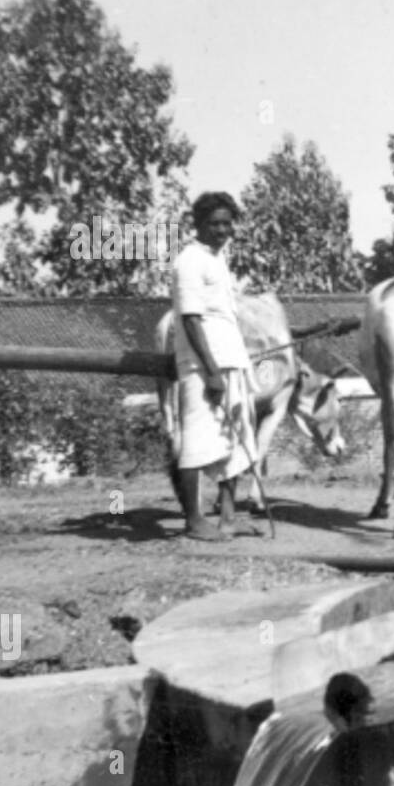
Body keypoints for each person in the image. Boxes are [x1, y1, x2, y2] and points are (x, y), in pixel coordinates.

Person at [172, 191, 259, 541]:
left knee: (234, 439)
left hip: (231, 360)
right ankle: (194, 520)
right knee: (196, 439)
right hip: (202, 365)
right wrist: (210, 370)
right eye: (214, 224)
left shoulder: (218, 260)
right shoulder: (189, 260)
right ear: (198, 225)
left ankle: (227, 517)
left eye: (227, 224)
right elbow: (191, 319)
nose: (222, 230)